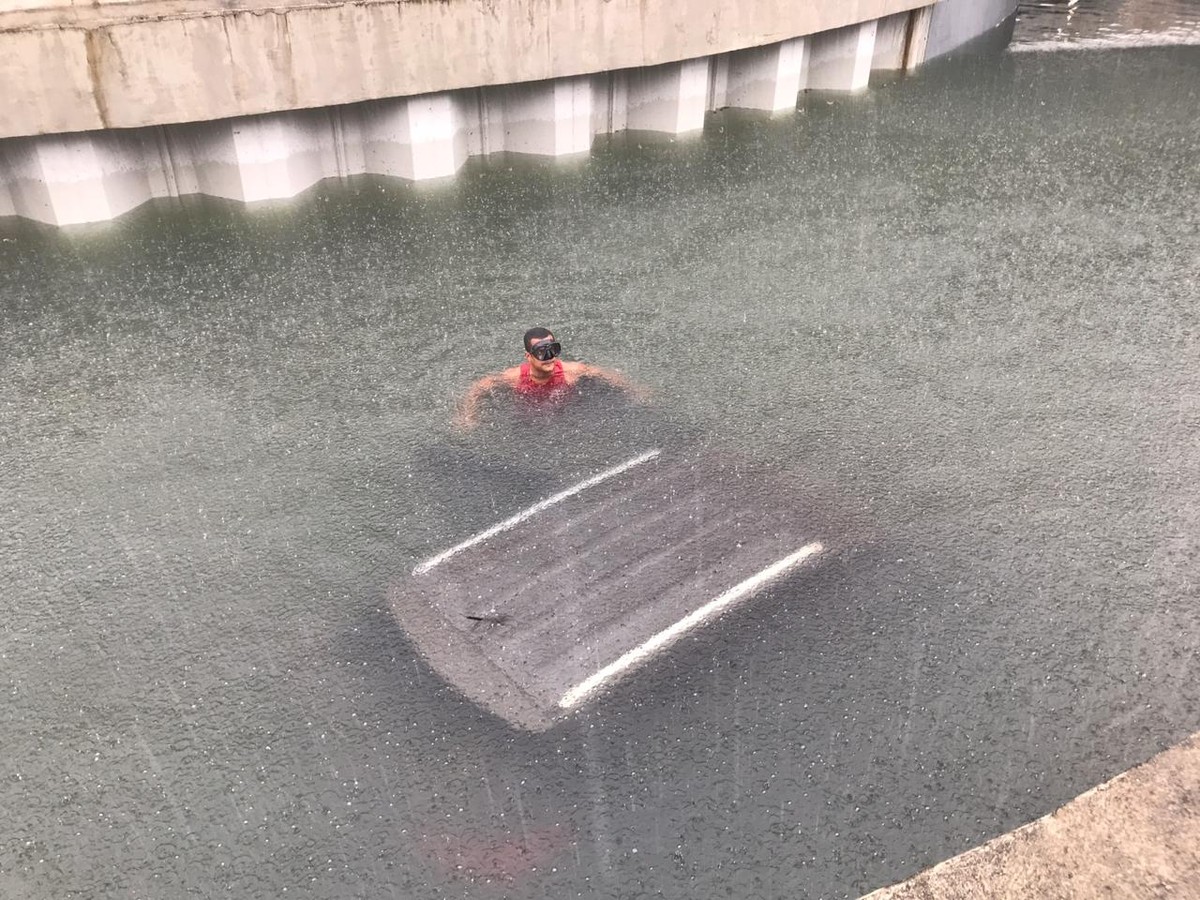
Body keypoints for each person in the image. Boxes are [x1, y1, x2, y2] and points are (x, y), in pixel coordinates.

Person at [455, 327, 644, 428]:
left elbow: (605, 374)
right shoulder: (514, 377)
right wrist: (468, 416)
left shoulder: (572, 371)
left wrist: (635, 392)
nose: (549, 357)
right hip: (525, 423)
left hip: (566, 418)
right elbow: (479, 387)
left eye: (553, 350)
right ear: (528, 356)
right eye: (541, 352)